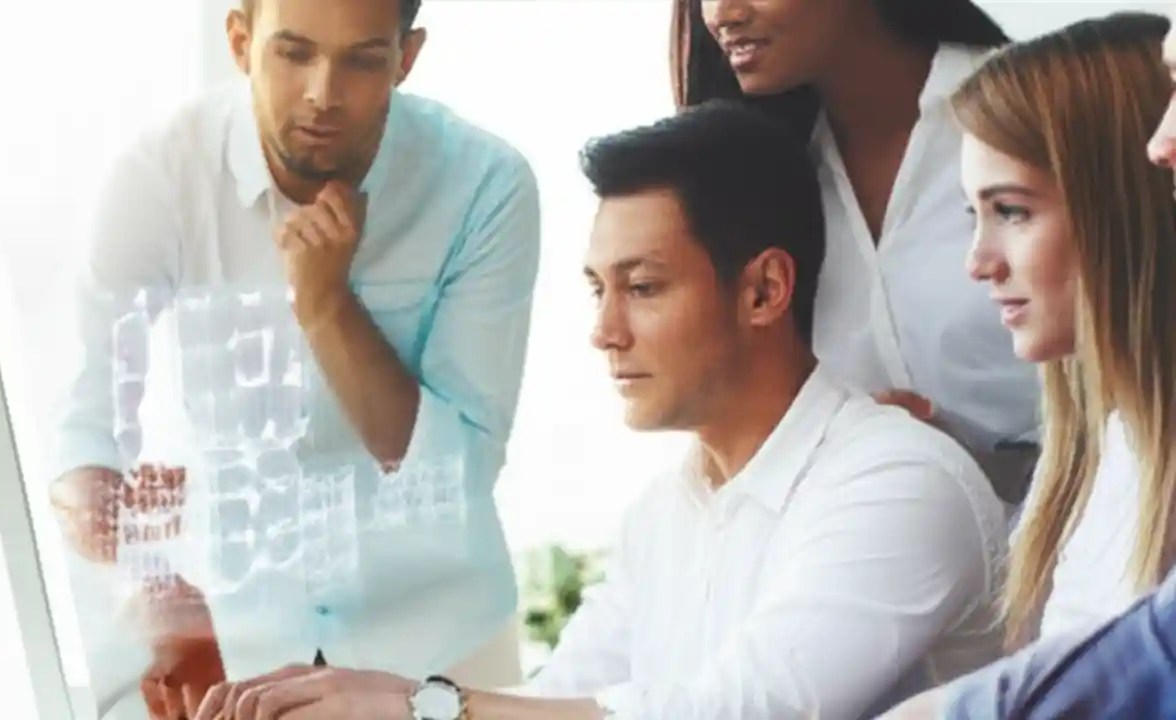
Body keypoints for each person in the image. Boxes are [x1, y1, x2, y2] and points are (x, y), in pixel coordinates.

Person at [188, 98, 1008, 720]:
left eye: (643, 288)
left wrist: (417, 706)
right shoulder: (667, 514)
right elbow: (566, 698)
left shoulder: (898, 481)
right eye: (597, 289)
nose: (605, 333)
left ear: (764, 289)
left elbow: (737, 712)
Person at [45, 0, 540, 716]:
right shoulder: (160, 177)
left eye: (363, 60)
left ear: (407, 56)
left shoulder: (486, 185)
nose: (322, 94)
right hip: (234, 660)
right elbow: (83, 434)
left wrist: (326, 305)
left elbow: (456, 474)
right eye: (294, 53)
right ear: (241, 41)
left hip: (441, 652)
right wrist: (157, 591)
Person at [878, 10, 1176, 718]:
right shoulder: (1099, 451)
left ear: (1123, 204)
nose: (978, 262)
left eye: (1011, 210)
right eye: (972, 215)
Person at [672, 0, 1041, 510]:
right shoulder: (761, 182)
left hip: (1088, 564)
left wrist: (967, 469)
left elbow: (1144, 377)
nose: (721, 13)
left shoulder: (1038, 114)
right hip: (870, 563)